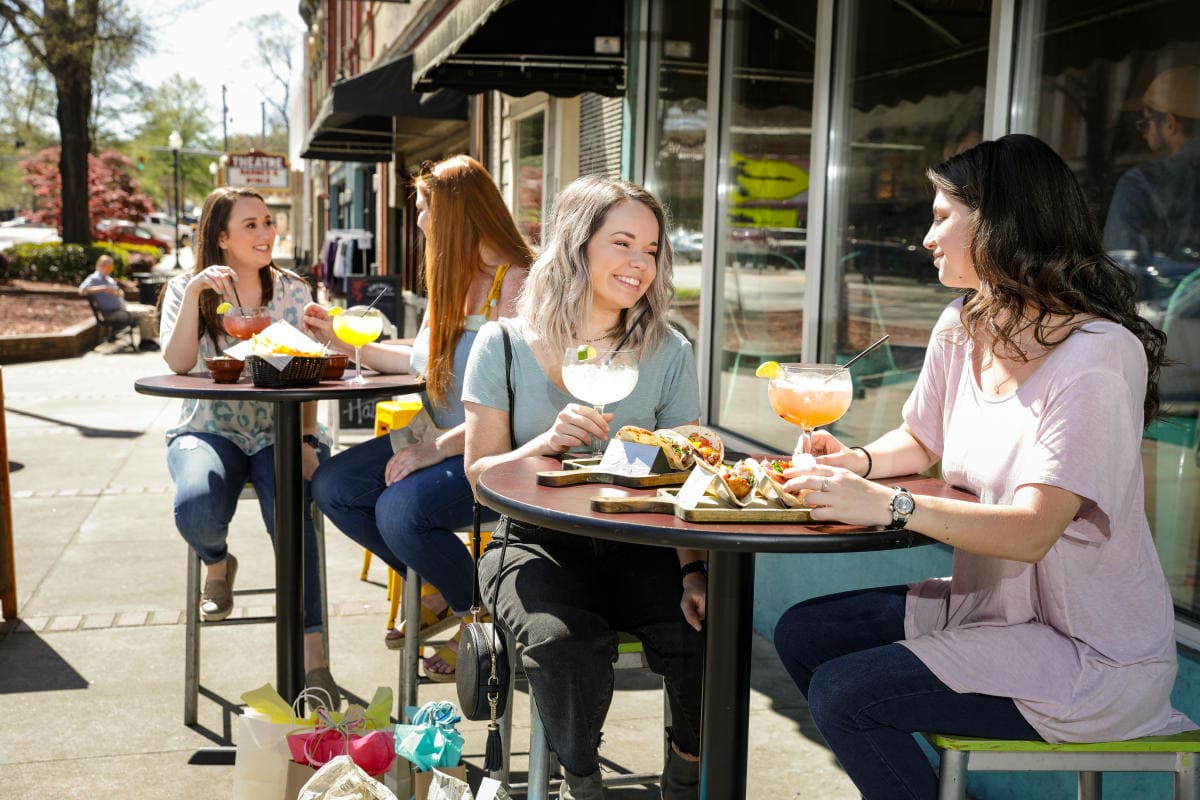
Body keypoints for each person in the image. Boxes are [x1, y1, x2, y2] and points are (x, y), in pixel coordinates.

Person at [771, 134, 1197, 800]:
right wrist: (855, 460)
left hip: (1089, 653)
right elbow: (922, 438)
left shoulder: (1097, 356)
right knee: (805, 632)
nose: (926, 238)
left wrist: (889, 505)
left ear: (999, 223)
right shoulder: (965, 322)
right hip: (992, 611)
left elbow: (1033, 531)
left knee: (846, 694)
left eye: (942, 216)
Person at [463, 175, 706, 800]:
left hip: (642, 540)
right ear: (577, 245)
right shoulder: (503, 344)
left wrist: (694, 571)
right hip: (535, 543)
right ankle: (582, 779)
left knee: (703, 633)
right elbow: (480, 475)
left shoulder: (668, 351)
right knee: (563, 643)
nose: (639, 263)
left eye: (651, 249)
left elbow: (685, 474)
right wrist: (543, 445)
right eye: (622, 243)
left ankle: (687, 770)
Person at [306, 155, 533, 679]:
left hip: (494, 447)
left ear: (456, 214)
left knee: (400, 512)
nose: (421, 221)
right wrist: (339, 341)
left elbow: (517, 407)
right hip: (435, 434)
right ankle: (439, 586)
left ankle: (483, 619)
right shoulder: (452, 278)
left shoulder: (518, 283)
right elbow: (418, 361)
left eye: (427, 208)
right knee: (334, 486)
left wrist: (431, 450)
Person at [158, 186, 340, 707]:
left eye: (268, 222)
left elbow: (311, 371)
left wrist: (306, 439)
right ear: (221, 238)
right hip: (207, 427)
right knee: (196, 504)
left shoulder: (293, 290)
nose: (266, 233)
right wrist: (196, 291)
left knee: (291, 511)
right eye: (251, 225)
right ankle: (217, 564)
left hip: (280, 429)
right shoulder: (188, 289)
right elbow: (177, 364)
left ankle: (314, 659)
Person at [1103, 65, 1200, 264]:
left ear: (1170, 123)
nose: (1143, 133)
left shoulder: (1141, 183)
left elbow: (1121, 269)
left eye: (1146, 122)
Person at [79, 254, 160, 350]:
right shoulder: (94, 278)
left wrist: (119, 292)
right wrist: (103, 288)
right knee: (146, 313)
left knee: (151, 309)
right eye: (106, 266)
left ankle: (149, 339)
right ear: (99, 265)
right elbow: (81, 290)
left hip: (123, 307)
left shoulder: (109, 279)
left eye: (110, 266)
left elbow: (119, 292)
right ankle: (146, 342)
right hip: (112, 313)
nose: (108, 269)